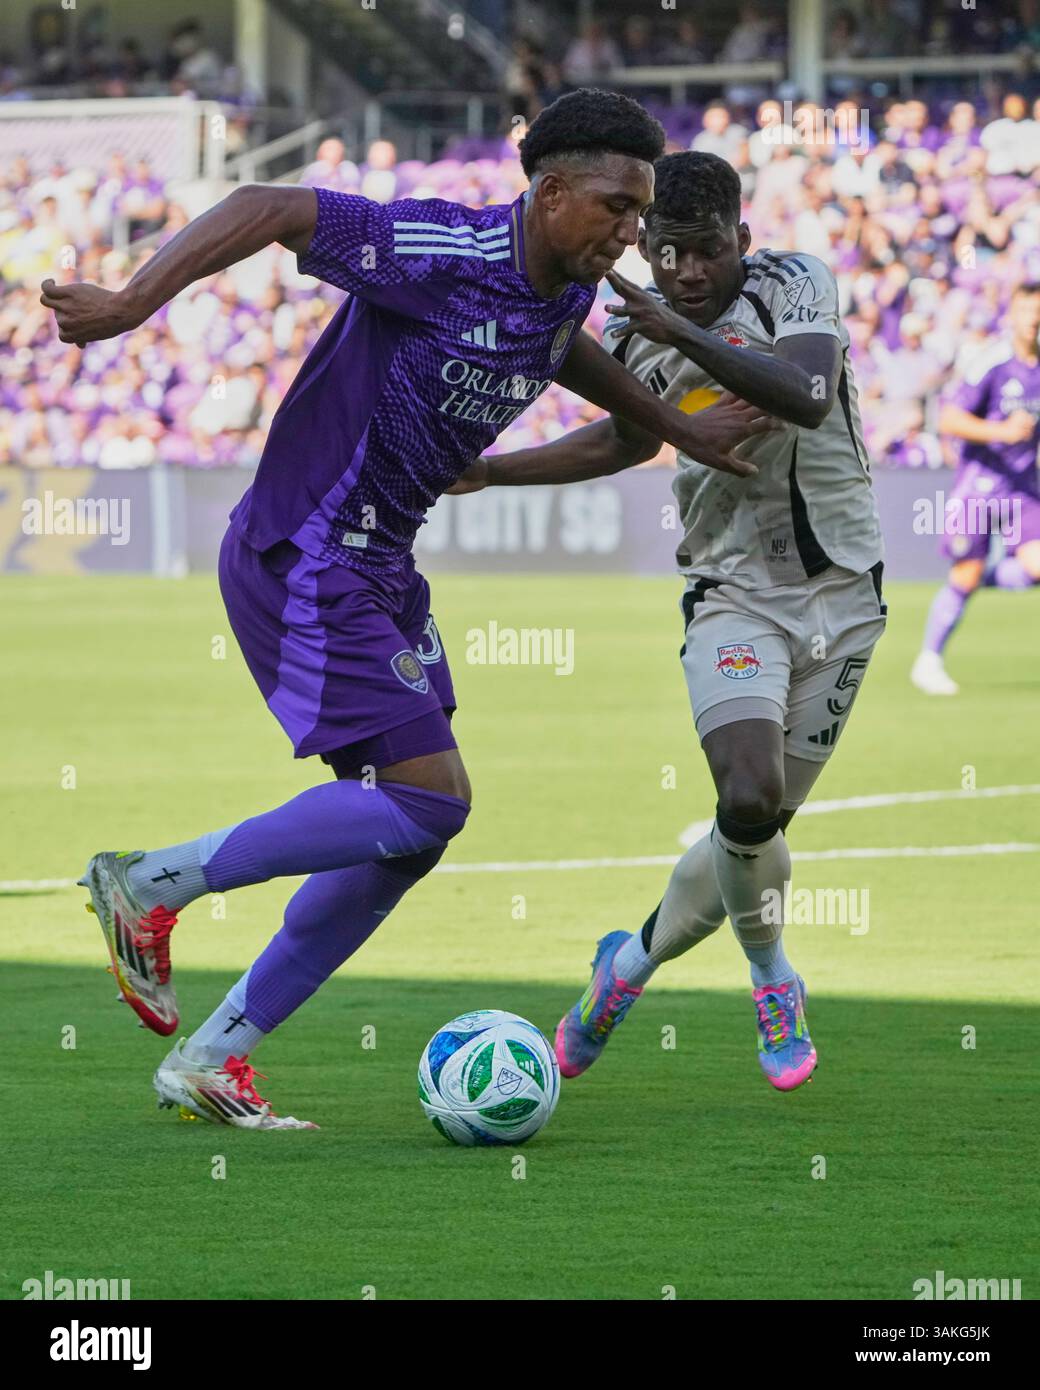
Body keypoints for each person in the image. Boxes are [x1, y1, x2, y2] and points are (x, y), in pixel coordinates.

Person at [41, 91, 773, 1130]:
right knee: (429, 799)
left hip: (379, 566)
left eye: (639, 212)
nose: (630, 232)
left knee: (408, 835)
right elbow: (269, 203)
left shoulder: (561, 295)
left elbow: (565, 356)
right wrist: (128, 304)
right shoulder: (442, 245)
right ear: (550, 191)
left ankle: (214, 1057)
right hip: (305, 551)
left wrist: (670, 427)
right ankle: (148, 882)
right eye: (614, 206)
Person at [450, 151, 886, 1092]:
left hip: (844, 597)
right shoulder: (634, 329)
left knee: (753, 830)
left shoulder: (793, 283)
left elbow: (807, 396)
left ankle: (626, 969)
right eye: (670, 252)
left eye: (708, 251)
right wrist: (494, 470)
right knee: (745, 795)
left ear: (745, 241)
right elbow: (624, 437)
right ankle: (773, 979)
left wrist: (676, 336)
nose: (688, 272)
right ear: (645, 244)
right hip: (731, 591)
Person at [911, 283, 1040, 696]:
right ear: (1013, 315)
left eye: (1038, 311)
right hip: (981, 486)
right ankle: (928, 661)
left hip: (1024, 487)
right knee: (965, 573)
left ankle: (977, 576)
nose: (1034, 319)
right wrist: (1001, 430)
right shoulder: (993, 362)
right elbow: (948, 419)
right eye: (1026, 310)